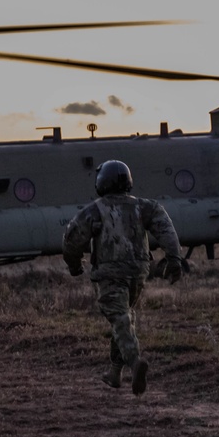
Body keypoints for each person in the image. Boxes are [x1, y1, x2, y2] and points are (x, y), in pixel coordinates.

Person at [63, 159, 184, 395]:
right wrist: (174, 259)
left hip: (109, 273)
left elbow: (71, 239)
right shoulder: (146, 207)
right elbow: (166, 229)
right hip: (138, 272)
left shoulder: (94, 210)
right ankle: (115, 373)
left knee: (119, 317)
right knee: (124, 317)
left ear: (101, 182)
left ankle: (134, 362)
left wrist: (75, 265)